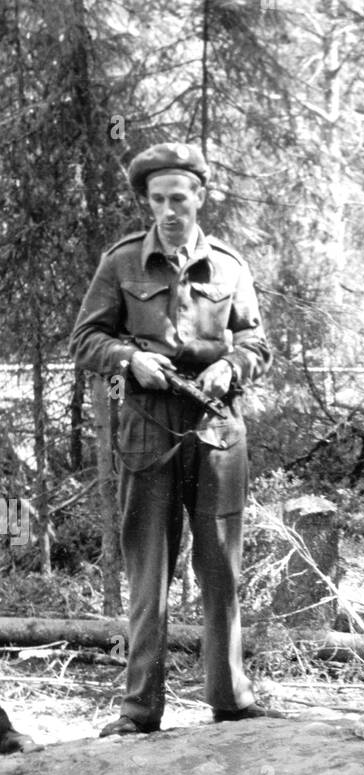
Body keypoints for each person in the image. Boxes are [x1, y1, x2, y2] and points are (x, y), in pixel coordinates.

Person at [70, 143, 273, 737]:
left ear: (200, 197)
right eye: (157, 200)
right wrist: (129, 358)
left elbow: (257, 343)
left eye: (178, 198)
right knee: (148, 574)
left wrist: (230, 366)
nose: (168, 210)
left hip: (216, 434)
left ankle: (230, 699)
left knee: (221, 571)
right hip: (147, 432)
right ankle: (140, 709)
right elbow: (86, 341)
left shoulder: (230, 267)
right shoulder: (122, 263)